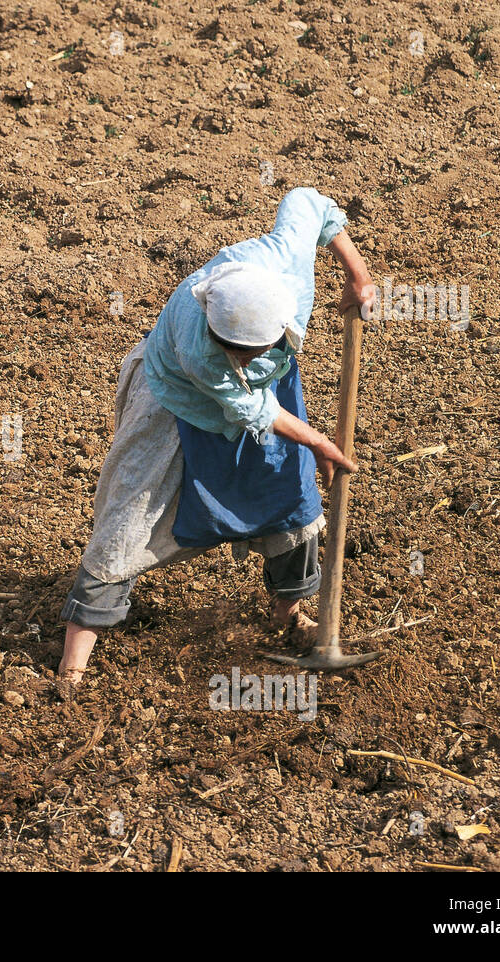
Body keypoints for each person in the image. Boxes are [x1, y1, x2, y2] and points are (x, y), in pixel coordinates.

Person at [58, 187, 378, 683]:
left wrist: (357, 274)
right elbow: (248, 407)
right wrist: (314, 441)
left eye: (251, 352)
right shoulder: (200, 351)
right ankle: (72, 665)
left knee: (290, 496)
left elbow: (309, 202)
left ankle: (287, 616)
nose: (240, 359)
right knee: (131, 514)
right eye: (232, 351)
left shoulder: (282, 261)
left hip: (269, 396)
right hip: (177, 403)